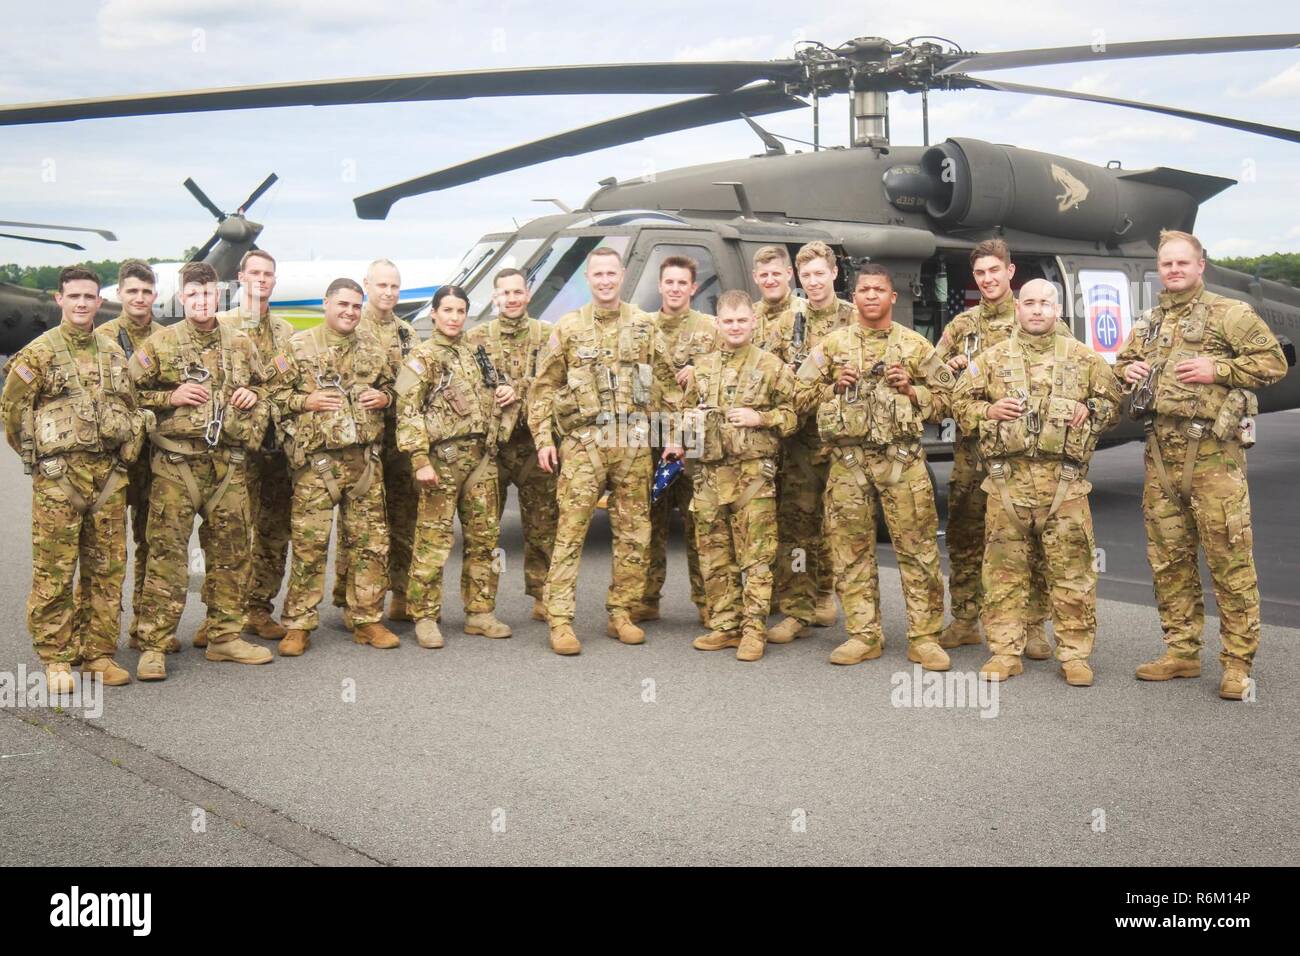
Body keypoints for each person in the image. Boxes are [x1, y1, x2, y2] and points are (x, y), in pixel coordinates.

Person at [1116, 230, 1287, 700]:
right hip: (1160, 460)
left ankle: (1237, 664)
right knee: (1169, 562)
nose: (1173, 271)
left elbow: (1274, 363)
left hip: (1213, 458)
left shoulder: (1229, 314)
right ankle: (1182, 651)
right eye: (1166, 264)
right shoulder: (1150, 322)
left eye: (1182, 264)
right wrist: (1124, 370)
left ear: (1200, 266)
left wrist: (1220, 370)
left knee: (1229, 561)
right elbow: (1124, 365)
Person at [951, 279, 1122, 684]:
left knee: (1072, 573)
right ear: (1018, 308)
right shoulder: (991, 360)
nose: (1037, 309)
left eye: (1045, 302)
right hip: (1007, 485)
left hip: (1065, 487)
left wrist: (1089, 408)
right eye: (1029, 302)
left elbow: (1114, 405)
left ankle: (1075, 656)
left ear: (1057, 309)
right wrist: (988, 411)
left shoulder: (1084, 359)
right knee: (1003, 573)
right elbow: (959, 402)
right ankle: (1005, 652)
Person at [794, 264, 954, 667]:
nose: (870, 296)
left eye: (878, 290)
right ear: (855, 294)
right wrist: (834, 386)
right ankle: (863, 634)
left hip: (902, 464)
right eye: (863, 289)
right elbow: (796, 397)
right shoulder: (831, 346)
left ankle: (924, 637)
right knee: (850, 551)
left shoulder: (916, 347)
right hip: (848, 464)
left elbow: (951, 402)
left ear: (892, 297)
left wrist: (913, 391)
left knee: (917, 551)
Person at [527, 246, 678, 655]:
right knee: (570, 532)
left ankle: (621, 613)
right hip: (584, 444)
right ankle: (559, 620)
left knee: (634, 534)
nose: (606, 280)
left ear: (622, 275)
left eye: (612, 273)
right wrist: (544, 440)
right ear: (589, 279)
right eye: (599, 274)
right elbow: (542, 389)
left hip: (632, 442)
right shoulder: (570, 328)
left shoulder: (645, 326)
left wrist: (675, 437)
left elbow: (669, 386)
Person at [129, 261, 272, 680]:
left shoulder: (242, 343)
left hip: (228, 466)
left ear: (219, 296)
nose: (201, 302)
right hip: (177, 464)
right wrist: (170, 396)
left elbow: (269, 388)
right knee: (167, 557)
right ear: (182, 297)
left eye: (208, 295)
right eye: (193, 295)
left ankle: (225, 637)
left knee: (231, 554)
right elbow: (128, 393)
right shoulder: (160, 343)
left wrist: (251, 392)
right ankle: (153, 645)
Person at [2, 266, 143, 691]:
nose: (82, 303)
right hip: (59, 483)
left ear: (100, 303)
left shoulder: (114, 353)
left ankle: (97, 654)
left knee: (107, 570)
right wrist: (40, 461)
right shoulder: (37, 354)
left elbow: (129, 407)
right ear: (60, 300)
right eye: (74, 296)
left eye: (89, 297)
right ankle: (56, 658)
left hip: (108, 482)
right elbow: (12, 415)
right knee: (55, 573)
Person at [935, 239, 1053, 659]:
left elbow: (1067, 369)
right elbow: (931, 382)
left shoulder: (1034, 316)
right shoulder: (962, 327)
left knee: (1028, 540)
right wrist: (947, 374)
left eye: (994, 271)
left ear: (1010, 272)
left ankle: (1032, 625)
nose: (987, 279)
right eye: (980, 273)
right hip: (972, 454)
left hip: (1023, 456)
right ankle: (966, 619)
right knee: (965, 535)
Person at [269, 278, 399, 654]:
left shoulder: (374, 348)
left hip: (365, 463)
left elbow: (396, 390)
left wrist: (385, 396)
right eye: (343, 304)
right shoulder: (297, 346)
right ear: (326, 303)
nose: (350, 312)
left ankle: (367, 619)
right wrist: (305, 401)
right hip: (317, 465)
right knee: (310, 546)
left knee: (371, 544)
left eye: (357, 306)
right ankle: (298, 624)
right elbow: (274, 396)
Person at [666, 290, 796, 661]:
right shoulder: (701, 367)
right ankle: (725, 625)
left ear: (753, 322)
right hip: (708, 476)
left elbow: (793, 416)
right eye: (728, 321)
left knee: (756, 556)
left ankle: (754, 630)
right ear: (717, 324)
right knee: (713, 553)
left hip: (752, 476)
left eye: (741, 320)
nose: (735, 327)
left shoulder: (772, 367)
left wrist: (763, 417)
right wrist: (679, 440)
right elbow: (686, 412)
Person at [397, 285, 511, 650]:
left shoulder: (478, 353)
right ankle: (425, 616)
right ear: (434, 313)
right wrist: (418, 459)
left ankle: (480, 612)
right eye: (447, 310)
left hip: (480, 461)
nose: (453, 317)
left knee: (485, 541)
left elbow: (499, 391)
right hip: (441, 463)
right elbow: (407, 410)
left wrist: (509, 393)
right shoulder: (420, 358)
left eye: (460, 311)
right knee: (433, 541)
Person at [764, 241, 853, 645]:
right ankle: (798, 606)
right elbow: (769, 371)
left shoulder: (854, 319)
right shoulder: (787, 322)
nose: (814, 282)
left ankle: (825, 593)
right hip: (800, 441)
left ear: (834, 273)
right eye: (807, 276)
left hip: (843, 441)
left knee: (836, 524)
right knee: (798, 526)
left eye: (820, 273)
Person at [210, 249, 294, 644]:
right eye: (254, 272)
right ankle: (220, 617)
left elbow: (294, 386)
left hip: (276, 451)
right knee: (228, 534)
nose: (261, 279)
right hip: (235, 449)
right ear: (240, 277)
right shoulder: (220, 325)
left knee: (273, 533)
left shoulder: (286, 332)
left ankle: (259, 609)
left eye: (268, 274)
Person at [465, 268, 558, 623]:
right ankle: (481, 606)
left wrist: (519, 388)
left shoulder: (547, 335)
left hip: (534, 446)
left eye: (518, 292)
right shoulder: (476, 338)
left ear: (528, 295)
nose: (512, 298)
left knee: (543, 525)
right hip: (492, 449)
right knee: (485, 529)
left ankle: (543, 596)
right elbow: (466, 385)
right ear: (494, 298)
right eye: (505, 293)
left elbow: (558, 382)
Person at [335, 258, 419, 625]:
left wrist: (389, 398)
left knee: (404, 519)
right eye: (382, 285)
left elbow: (415, 382)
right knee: (358, 525)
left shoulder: (407, 333)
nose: (388, 292)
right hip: (360, 442)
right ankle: (349, 598)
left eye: (394, 286)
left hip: (398, 441)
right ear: (367, 284)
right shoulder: (352, 323)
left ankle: (400, 595)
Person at [98, 260, 174, 653]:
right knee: (106, 549)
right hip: (111, 462)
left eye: (146, 291)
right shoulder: (101, 339)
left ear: (155, 295)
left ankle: (145, 628)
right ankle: (95, 635)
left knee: (152, 542)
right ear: (119, 294)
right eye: (132, 291)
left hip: (155, 457)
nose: (140, 298)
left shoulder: (168, 338)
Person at [640, 255, 715, 625]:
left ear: (693, 287)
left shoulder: (711, 329)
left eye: (681, 283)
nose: (674, 288)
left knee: (697, 522)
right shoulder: (642, 327)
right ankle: (647, 598)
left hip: (693, 439)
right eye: (668, 282)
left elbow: (725, 370)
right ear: (660, 285)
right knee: (649, 522)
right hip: (651, 437)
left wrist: (700, 370)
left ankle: (706, 602)